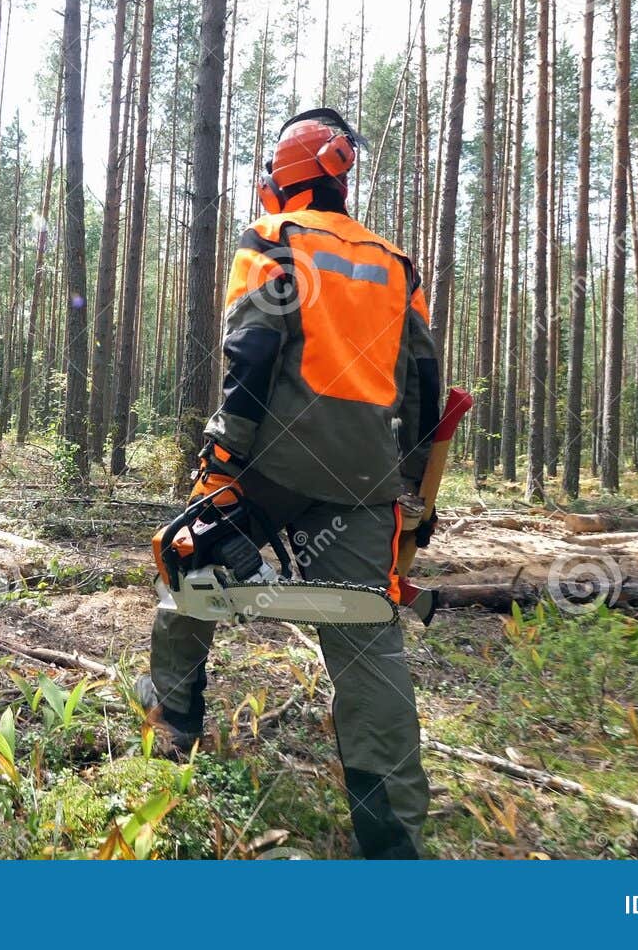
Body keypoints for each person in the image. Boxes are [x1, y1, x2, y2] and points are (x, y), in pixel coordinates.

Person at [137, 107, 441, 860]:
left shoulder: (272, 239)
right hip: (364, 479)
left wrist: (221, 463)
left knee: (187, 556)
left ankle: (173, 722)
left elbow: (250, 353)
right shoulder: (396, 265)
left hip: (269, 461)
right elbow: (425, 383)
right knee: (370, 643)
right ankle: (394, 839)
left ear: (286, 174)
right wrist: (411, 487)